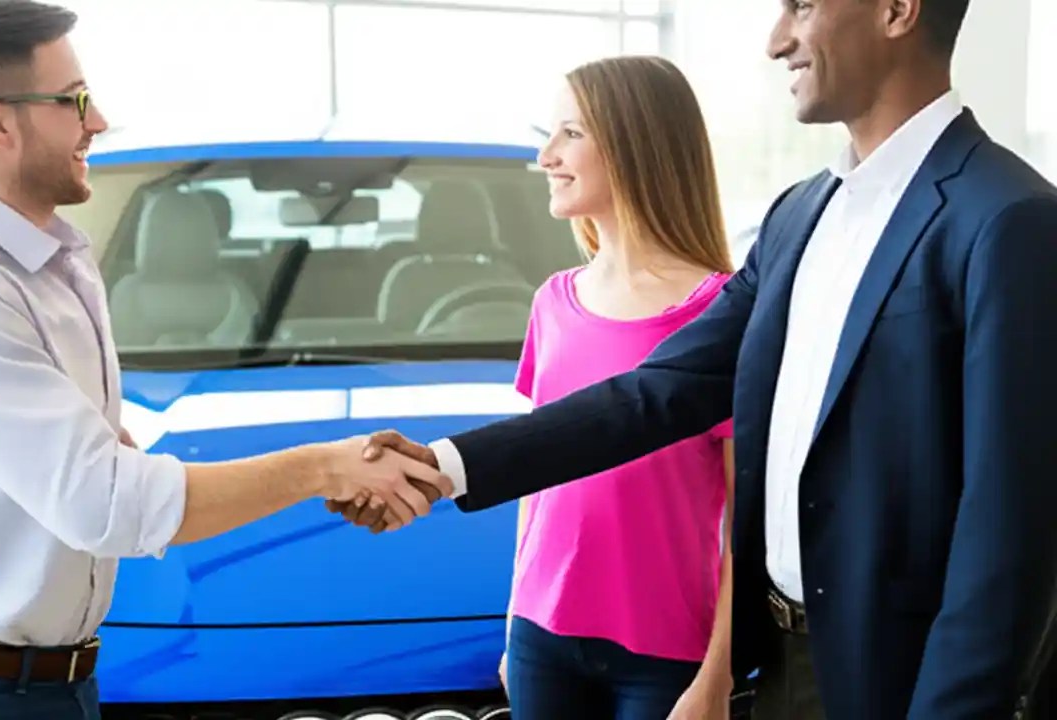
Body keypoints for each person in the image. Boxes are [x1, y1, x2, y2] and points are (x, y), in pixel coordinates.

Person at [339, 0, 1057, 718]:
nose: (778, 41)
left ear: (898, 10)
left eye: (801, 7)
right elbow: (659, 393)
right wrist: (442, 466)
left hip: (896, 678)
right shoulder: (799, 215)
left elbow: (1010, 529)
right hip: (779, 666)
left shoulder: (1008, 219)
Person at [0, 1, 448, 718]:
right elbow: (107, 502)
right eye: (74, 100)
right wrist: (325, 465)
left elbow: (94, 460)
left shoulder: (57, 264)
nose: (96, 120)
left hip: (51, 682)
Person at [490, 56, 737, 720]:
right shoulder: (552, 303)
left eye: (570, 133)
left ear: (634, 142)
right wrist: (515, 620)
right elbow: (531, 477)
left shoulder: (719, 313)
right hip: (542, 636)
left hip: (667, 655)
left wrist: (717, 678)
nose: (546, 156)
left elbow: (744, 521)